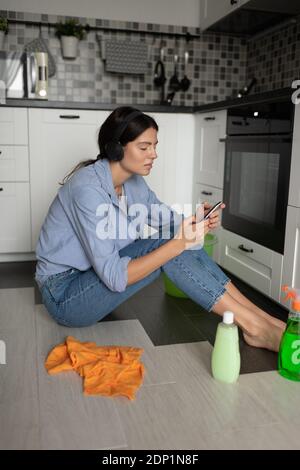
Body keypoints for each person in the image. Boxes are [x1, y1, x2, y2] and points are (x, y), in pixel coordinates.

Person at [35, 106, 286, 352]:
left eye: (155, 146)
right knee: (173, 246)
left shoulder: (134, 184)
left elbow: (170, 223)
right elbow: (114, 277)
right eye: (144, 147)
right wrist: (178, 243)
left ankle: (261, 320)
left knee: (174, 240)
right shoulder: (87, 190)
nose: (153, 154)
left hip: (93, 278)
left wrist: (196, 221)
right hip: (65, 295)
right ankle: (254, 326)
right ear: (116, 148)